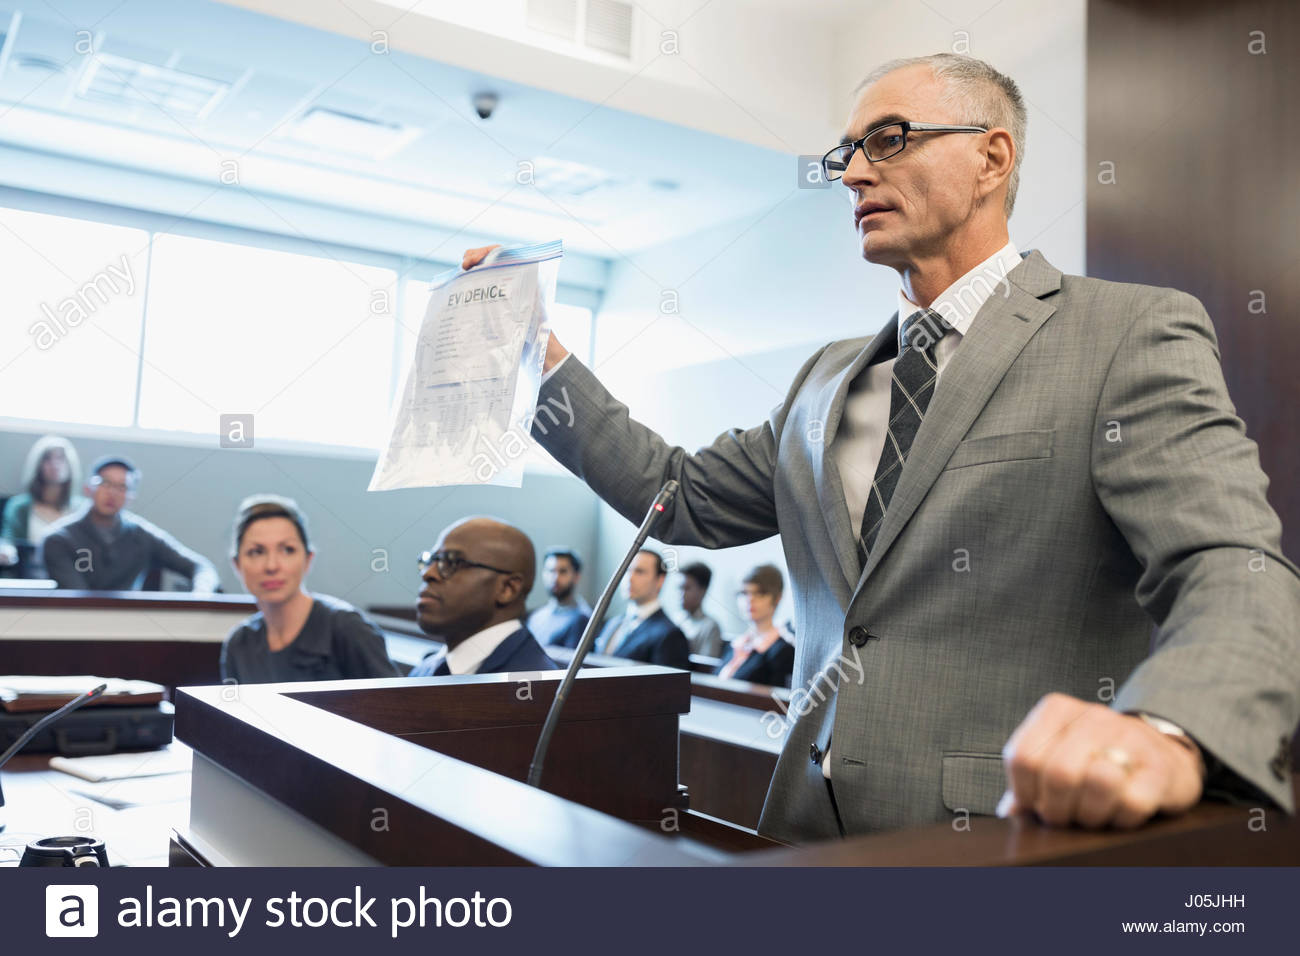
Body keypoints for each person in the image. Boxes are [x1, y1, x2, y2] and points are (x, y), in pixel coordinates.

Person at [462, 53, 1300, 843]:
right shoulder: (824, 382)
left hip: (999, 840)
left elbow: (1231, 565)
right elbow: (672, 495)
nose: (855, 172)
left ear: (992, 158)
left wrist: (1169, 729)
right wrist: (541, 364)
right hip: (798, 831)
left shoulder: (1126, 333)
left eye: (888, 140)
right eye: (847, 154)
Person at [220, 495, 399, 684]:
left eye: (287, 550)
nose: (272, 566)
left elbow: (398, 706)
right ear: (237, 564)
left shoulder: (348, 628)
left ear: (308, 559)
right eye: (257, 552)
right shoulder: (239, 643)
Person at [40, 455, 220, 593]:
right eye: (104, 484)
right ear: (88, 489)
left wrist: (201, 595)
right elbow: (78, 601)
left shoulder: (143, 536)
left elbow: (202, 567)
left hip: (131, 627)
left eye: (122, 487)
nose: (112, 493)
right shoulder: (58, 539)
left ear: (131, 498)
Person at [409, 517, 558, 676]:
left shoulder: (538, 689)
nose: (427, 573)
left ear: (507, 589)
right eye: (430, 561)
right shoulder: (425, 670)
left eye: (451, 561)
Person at [0, 435, 85, 577]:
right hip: (29, 578)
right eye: (48, 459)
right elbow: (9, 540)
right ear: (38, 465)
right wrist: (6, 550)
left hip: (71, 580)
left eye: (61, 458)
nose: (54, 464)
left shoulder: (82, 509)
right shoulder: (20, 507)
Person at [592, 549, 690, 669]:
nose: (630, 578)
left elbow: (669, 686)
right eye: (627, 570)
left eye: (639, 572)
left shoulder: (670, 635)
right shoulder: (614, 622)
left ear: (660, 580)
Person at [717, 564, 795, 687]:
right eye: (744, 593)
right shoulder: (735, 645)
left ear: (777, 598)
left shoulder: (784, 651)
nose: (750, 600)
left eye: (759, 593)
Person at [527, 547, 592, 647]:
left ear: (576, 577)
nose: (555, 578)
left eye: (562, 571)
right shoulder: (536, 616)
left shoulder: (582, 619)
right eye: (551, 571)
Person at [674, 561, 724, 657]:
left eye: (687, 588)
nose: (681, 594)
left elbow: (705, 666)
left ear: (703, 591)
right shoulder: (675, 619)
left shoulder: (711, 627)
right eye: (680, 588)